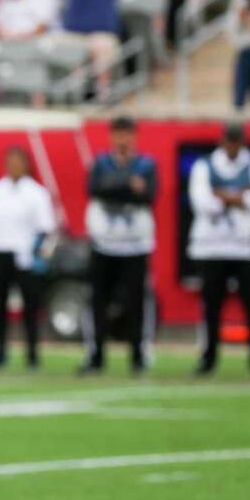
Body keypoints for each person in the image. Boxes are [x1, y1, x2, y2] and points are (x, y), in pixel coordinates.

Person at [187, 122, 250, 376]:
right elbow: (203, 204)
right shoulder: (204, 165)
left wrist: (222, 195)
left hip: (246, 246)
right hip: (212, 247)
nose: (233, 146)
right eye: (229, 140)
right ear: (222, 141)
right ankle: (209, 356)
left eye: (237, 141)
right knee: (211, 307)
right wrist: (242, 195)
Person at [80, 116, 157, 375]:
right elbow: (94, 189)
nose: (123, 139)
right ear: (111, 136)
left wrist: (116, 187)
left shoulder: (146, 164)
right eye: (118, 133)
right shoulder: (100, 163)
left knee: (136, 302)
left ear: (134, 136)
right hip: (104, 244)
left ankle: (138, 355)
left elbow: (149, 195)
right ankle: (96, 355)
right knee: (98, 301)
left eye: (127, 133)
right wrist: (128, 187)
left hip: (135, 245)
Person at [0, 146, 56, 369]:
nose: (14, 166)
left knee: (30, 308)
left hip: (25, 255)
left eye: (19, 161)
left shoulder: (36, 193)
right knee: (0, 307)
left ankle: (32, 355)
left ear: (26, 164)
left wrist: (37, 251)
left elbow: (45, 227)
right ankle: (0, 353)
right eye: (11, 161)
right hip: (0, 253)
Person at [56, 0, 122, 97]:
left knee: (104, 46)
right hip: (73, 35)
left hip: (101, 35)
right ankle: (74, 95)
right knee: (66, 47)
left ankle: (103, 92)